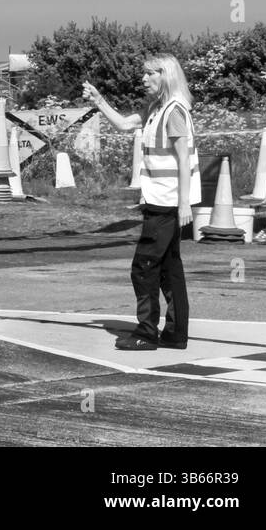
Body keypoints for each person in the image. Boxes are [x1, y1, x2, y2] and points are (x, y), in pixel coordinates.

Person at [83, 54, 198, 351]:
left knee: (143, 268)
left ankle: (146, 333)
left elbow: (184, 160)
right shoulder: (156, 108)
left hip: (166, 202)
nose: (143, 79)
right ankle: (175, 333)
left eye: (149, 74)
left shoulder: (173, 111)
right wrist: (99, 100)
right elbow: (123, 124)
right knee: (169, 268)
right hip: (162, 200)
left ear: (166, 75)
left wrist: (184, 203)